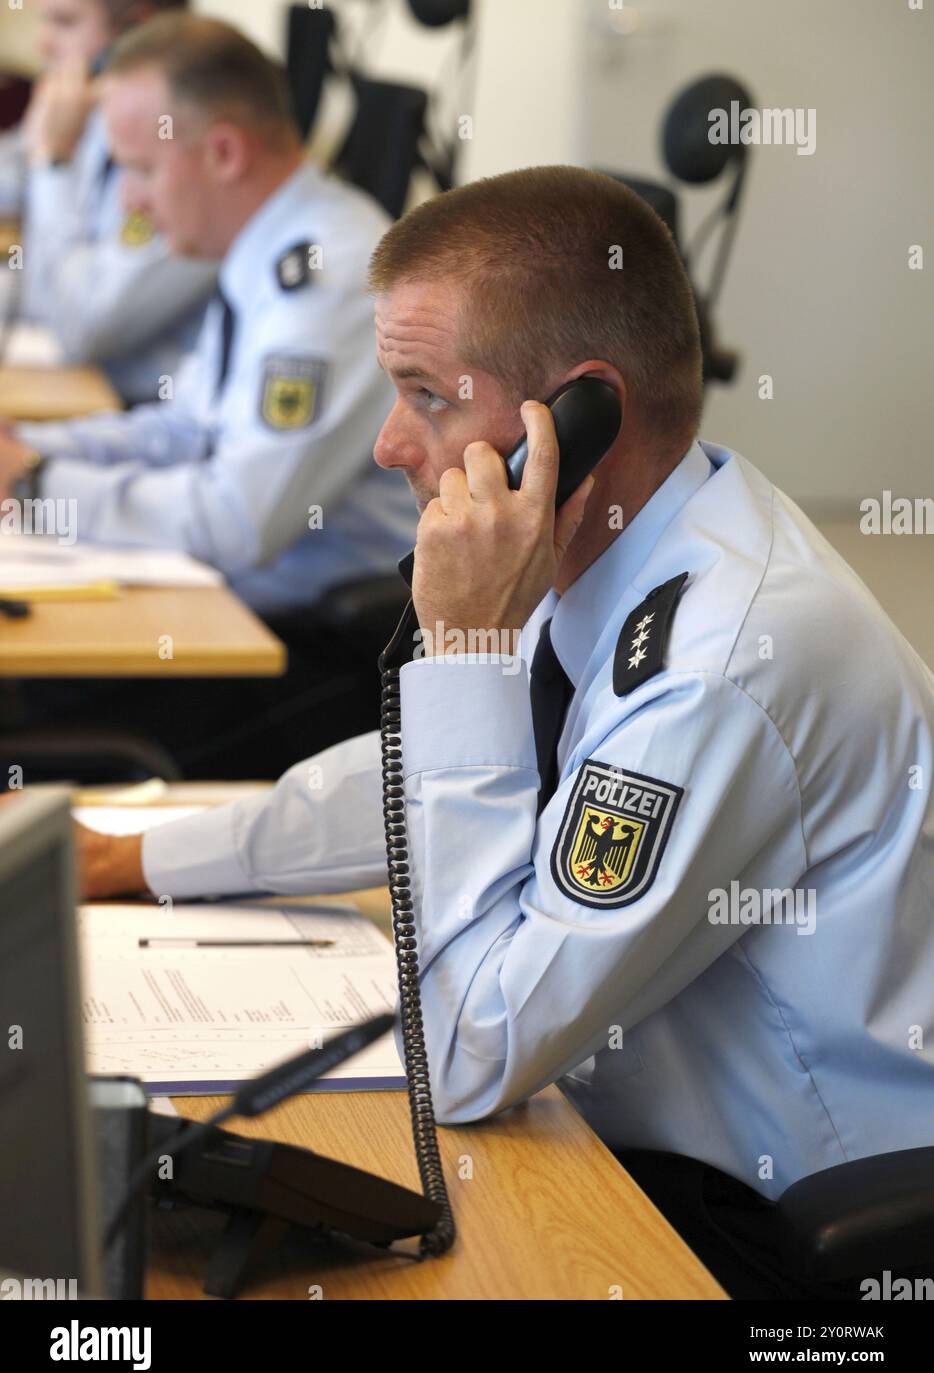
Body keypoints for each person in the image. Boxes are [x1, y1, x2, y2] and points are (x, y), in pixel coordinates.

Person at [76, 166, 934, 1297]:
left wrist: (466, 650)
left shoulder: (722, 663)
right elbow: (425, 781)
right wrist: (140, 855)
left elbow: (466, 1053)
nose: (390, 446)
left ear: (572, 420)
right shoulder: (627, 541)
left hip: (761, 1224)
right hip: (605, 1119)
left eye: (427, 394)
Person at [0, 14, 416, 777]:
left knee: (17, 747)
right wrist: (32, 449)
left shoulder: (324, 280)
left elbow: (237, 517)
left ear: (222, 152)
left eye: (142, 170)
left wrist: (34, 482)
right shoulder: (261, 248)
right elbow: (182, 427)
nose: (129, 202)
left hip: (317, 658)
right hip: (233, 614)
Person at [0, 0, 215, 404]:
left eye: (64, 22)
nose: (43, 43)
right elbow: (14, 180)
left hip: (130, 407)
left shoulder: (183, 148)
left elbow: (79, 325)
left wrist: (52, 161)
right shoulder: (101, 109)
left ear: (135, 34)